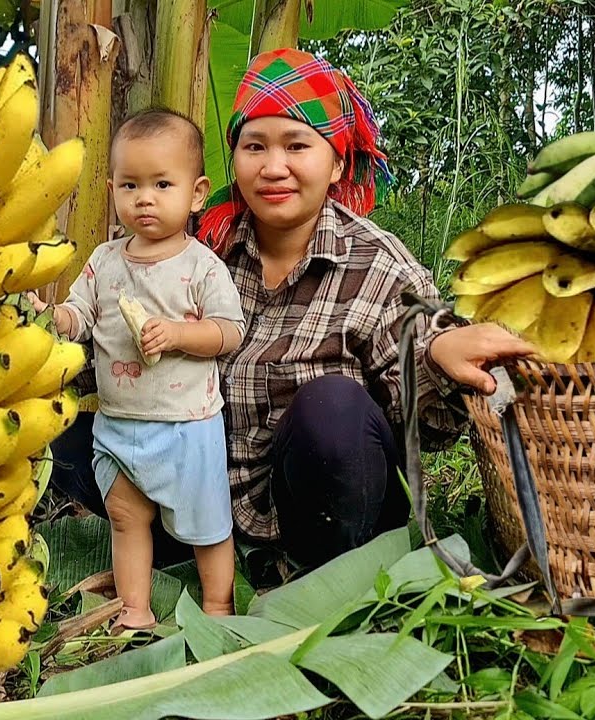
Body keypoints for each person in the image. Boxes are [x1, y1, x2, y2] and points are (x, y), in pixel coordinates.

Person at [49, 48, 535, 576]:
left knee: (330, 408)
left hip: (322, 511)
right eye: (254, 146)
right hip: (196, 488)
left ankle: (314, 570)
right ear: (234, 160)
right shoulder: (197, 248)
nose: (273, 166)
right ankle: (183, 549)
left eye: (297, 145)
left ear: (337, 162)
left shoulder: (373, 261)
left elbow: (417, 341)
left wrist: (441, 349)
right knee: (64, 434)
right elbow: (110, 337)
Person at [30, 108, 246, 631]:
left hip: (186, 425)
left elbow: (230, 330)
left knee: (207, 524)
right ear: (112, 189)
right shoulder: (104, 262)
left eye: (162, 184)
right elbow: (79, 316)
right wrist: (52, 317)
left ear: (196, 194)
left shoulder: (201, 265)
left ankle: (218, 605)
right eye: (130, 185)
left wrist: (178, 334)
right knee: (127, 519)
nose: (144, 197)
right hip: (119, 425)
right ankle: (135, 607)